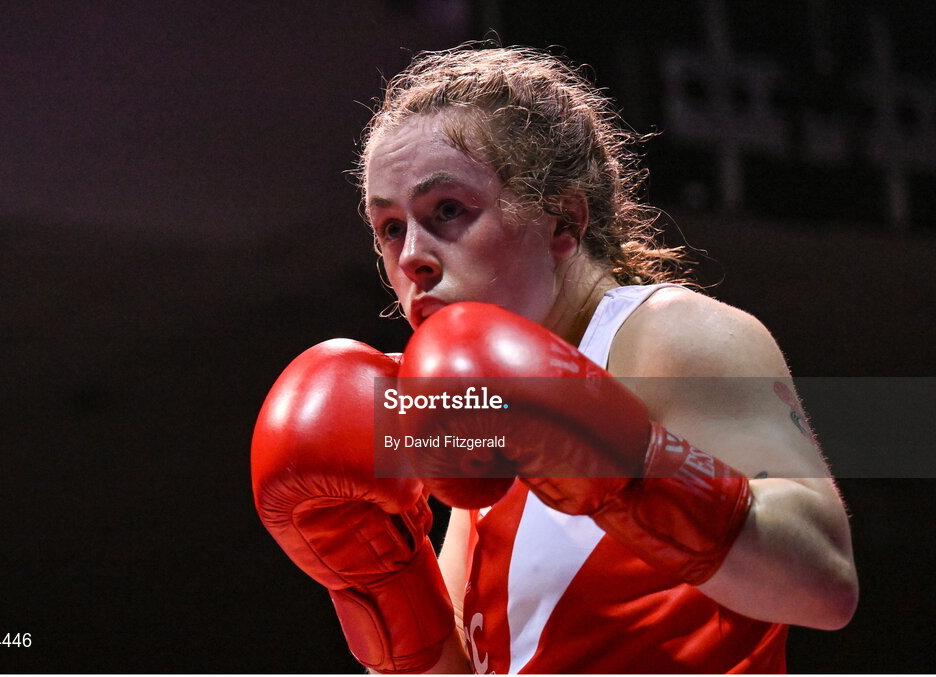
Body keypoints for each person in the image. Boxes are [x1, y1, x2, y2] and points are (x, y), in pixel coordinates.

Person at [250, 45, 858, 673]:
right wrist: (386, 588)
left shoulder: (666, 337)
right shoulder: (475, 420)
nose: (412, 259)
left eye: (448, 211)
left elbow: (825, 583)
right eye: (391, 228)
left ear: (563, 221)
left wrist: (612, 458)